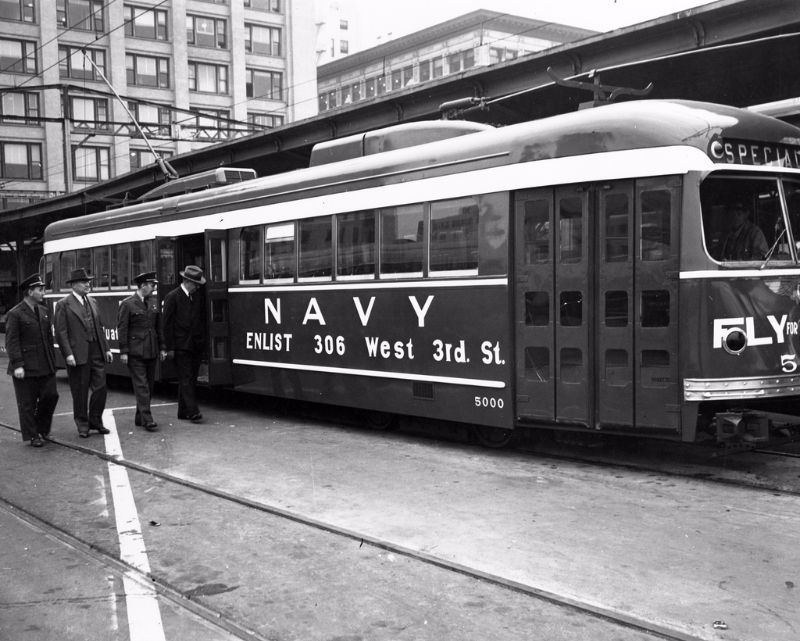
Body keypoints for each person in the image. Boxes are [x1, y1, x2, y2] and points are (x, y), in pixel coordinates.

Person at [54, 268, 113, 438]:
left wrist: (107, 348)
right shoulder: (63, 304)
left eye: (89, 281)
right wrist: (68, 354)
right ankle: (82, 424)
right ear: (73, 285)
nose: (88, 284)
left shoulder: (93, 301)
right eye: (84, 282)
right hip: (77, 353)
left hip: (96, 350)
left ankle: (96, 421)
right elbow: (61, 332)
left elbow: (99, 328)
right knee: (79, 391)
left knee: (101, 388)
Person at [4, 274, 59, 447]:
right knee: (27, 403)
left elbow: (48, 339)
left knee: (51, 395)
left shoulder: (43, 311)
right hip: (25, 366)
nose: (43, 292)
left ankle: (42, 429)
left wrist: (53, 361)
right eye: (40, 289)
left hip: (44, 364)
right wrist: (18, 364)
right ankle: (33, 435)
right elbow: (11, 341)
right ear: (30, 292)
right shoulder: (15, 313)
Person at [118, 271, 167, 432]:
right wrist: (124, 351)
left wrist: (162, 348)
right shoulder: (127, 304)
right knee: (142, 386)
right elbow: (122, 329)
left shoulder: (152, 303)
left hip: (151, 350)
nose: (153, 289)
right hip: (135, 351)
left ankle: (140, 417)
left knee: (150, 386)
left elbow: (159, 328)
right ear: (143, 285)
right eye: (152, 285)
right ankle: (147, 418)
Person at [162, 265, 206, 423]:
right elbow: (166, 325)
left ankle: (182, 411)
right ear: (187, 281)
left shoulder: (195, 296)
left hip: (194, 345)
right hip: (180, 346)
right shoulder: (172, 296)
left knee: (190, 378)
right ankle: (193, 411)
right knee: (186, 378)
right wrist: (169, 347)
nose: (197, 287)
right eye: (195, 284)